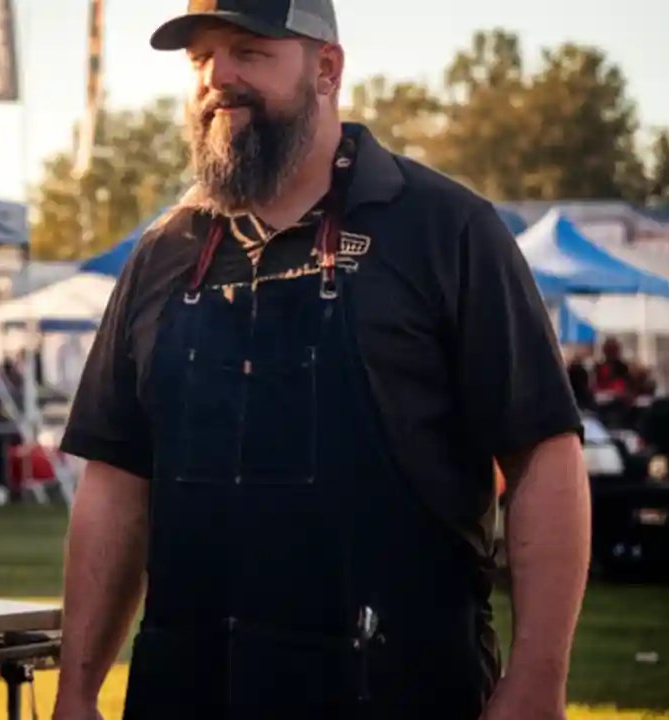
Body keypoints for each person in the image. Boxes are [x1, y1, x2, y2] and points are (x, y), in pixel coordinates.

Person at [52, 2, 591, 719]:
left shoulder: (444, 228)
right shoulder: (164, 252)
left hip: (396, 688)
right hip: (185, 691)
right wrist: (78, 689)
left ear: (327, 69)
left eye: (249, 52)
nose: (219, 78)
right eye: (200, 59)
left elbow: (544, 456)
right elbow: (116, 479)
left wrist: (537, 681)